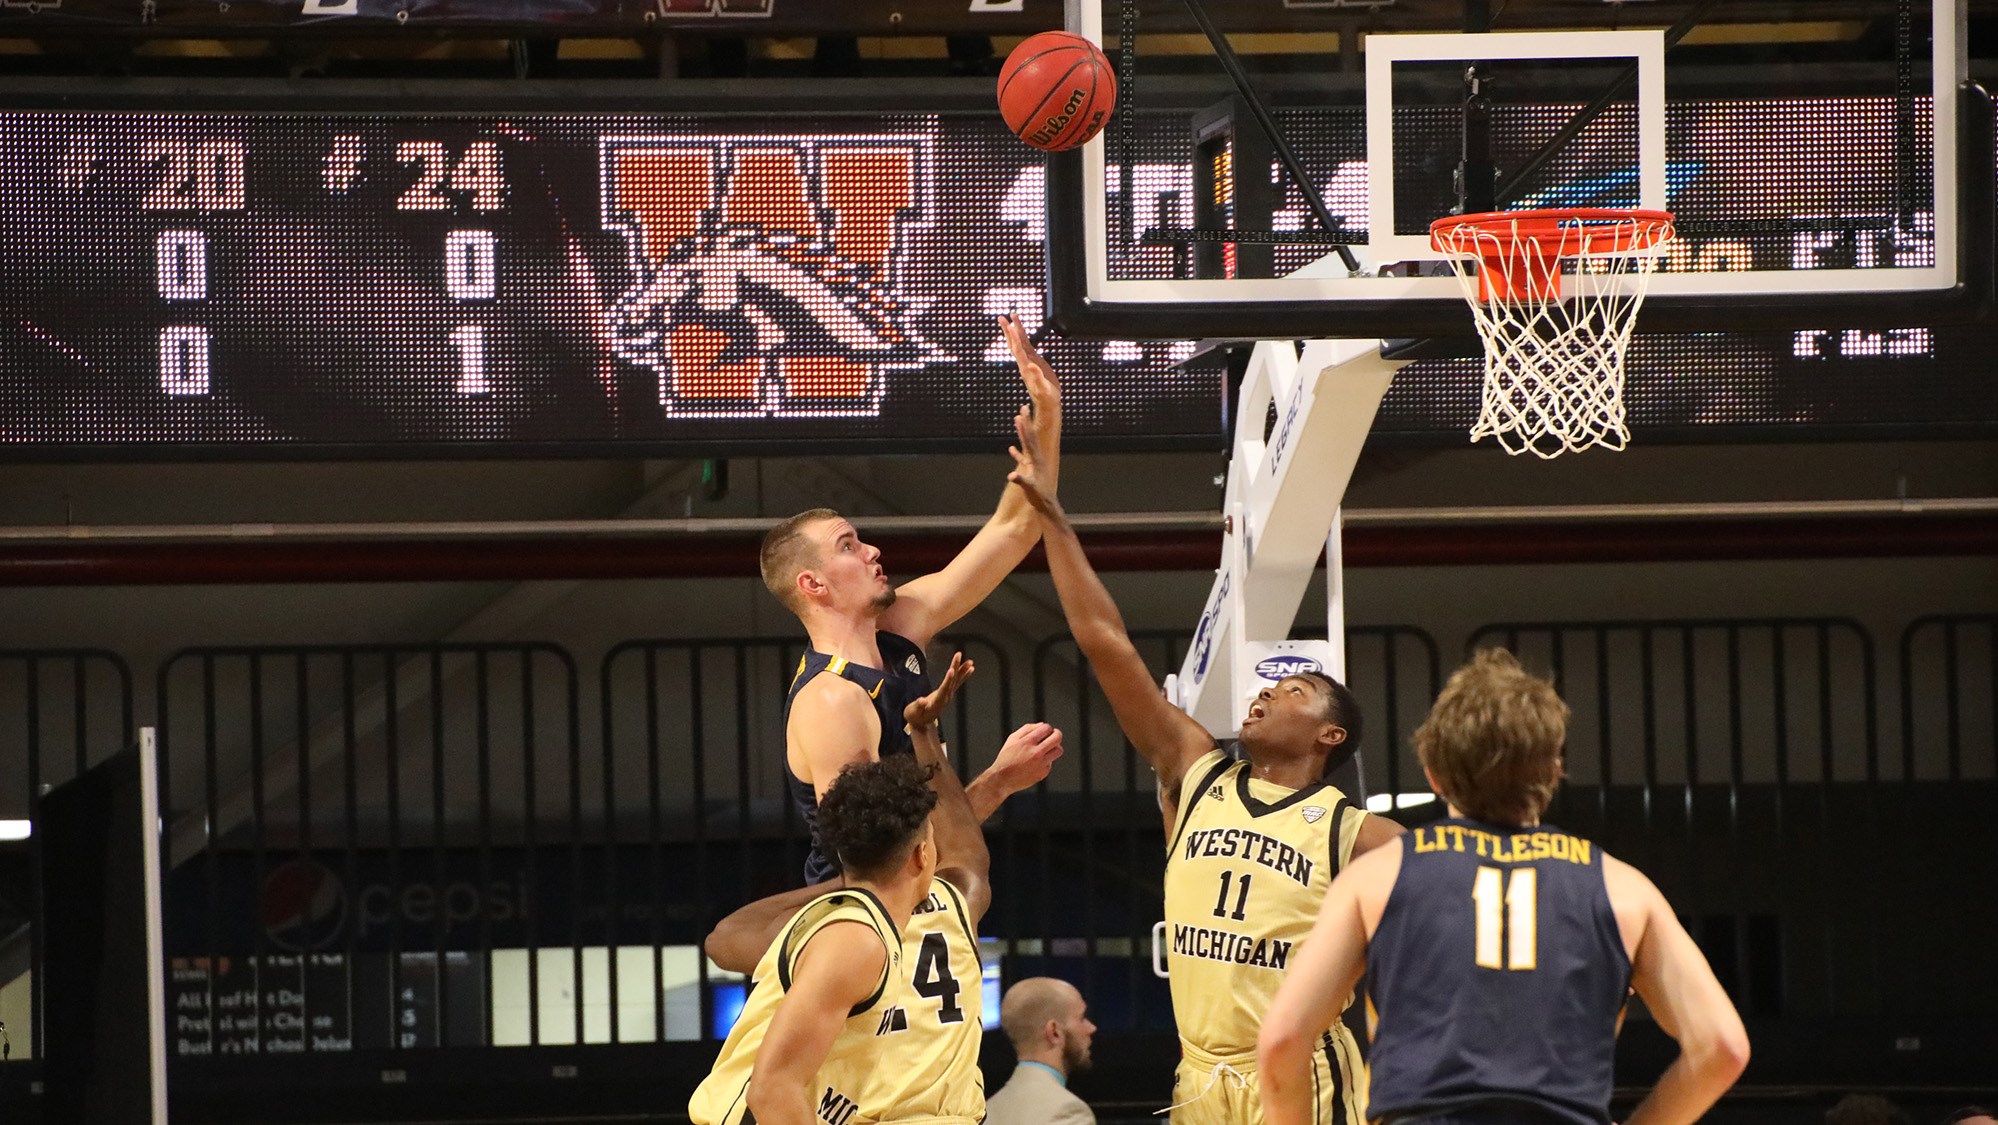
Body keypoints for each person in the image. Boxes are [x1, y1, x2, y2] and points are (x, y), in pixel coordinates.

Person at [1003, 407, 1404, 1124]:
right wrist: (1055, 524)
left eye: (1294, 691)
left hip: (1298, 1075)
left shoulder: (1356, 831)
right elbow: (1106, 644)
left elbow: (1457, 895)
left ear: (1329, 735)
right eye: (1270, 684)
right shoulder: (1197, 771)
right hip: (1199, 1076)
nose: (1265, 693)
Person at [1258, 649, 1751, 1125]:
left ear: (1434, 773)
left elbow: (1282, 1039)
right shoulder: (1625, 889)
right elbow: (1724, 1048)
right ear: (1554, 771)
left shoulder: (1378, 877)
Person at [763, 313, 1062, 883]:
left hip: (918, 902)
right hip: (859, 927)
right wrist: (999, 780)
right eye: (848, 546)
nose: (873, 551)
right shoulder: (833, 703)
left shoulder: (899, 628)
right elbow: (885, 862)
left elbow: (1014, 531)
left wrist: (1047, 417)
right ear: (813, 585)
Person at [701, 655, 1054, 1125]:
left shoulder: (829, 922)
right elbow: (772, 1092)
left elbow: (724, 939)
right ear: (922, 856)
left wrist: (852, 874)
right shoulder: (951, 906)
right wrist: (923, 734)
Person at [984, 977, 1099, 1125]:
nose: (1091, 1028)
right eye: (1081, 1018)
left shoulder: (987, 1111)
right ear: (1054, 1032)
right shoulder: (1067, 1113)